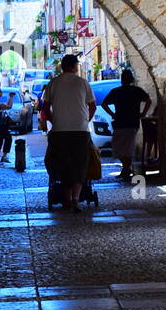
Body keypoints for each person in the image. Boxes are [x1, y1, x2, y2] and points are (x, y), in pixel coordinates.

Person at [42, 54, 96, 212]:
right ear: (75, 66)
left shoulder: (53, 83)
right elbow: (92, 106)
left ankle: (66, 198)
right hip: (80, 131)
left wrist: (55, 121)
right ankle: (76, 199)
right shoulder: (83, 82)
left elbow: (44, 109)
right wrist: (85, 121)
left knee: (62, 163)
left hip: (60, 132)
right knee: (80, 163)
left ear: (62, 67)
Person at [102, 68, 151, 183]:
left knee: (118, 147)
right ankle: (126, 168)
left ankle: (126, 169)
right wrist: (143, 113)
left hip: (119, 122)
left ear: (122, 79)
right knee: (128, 147)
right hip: (132, 122)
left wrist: (113, 114)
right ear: (132, 79)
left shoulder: (116, 91)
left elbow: (104, 104)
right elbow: (148, 101)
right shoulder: (137, 90)